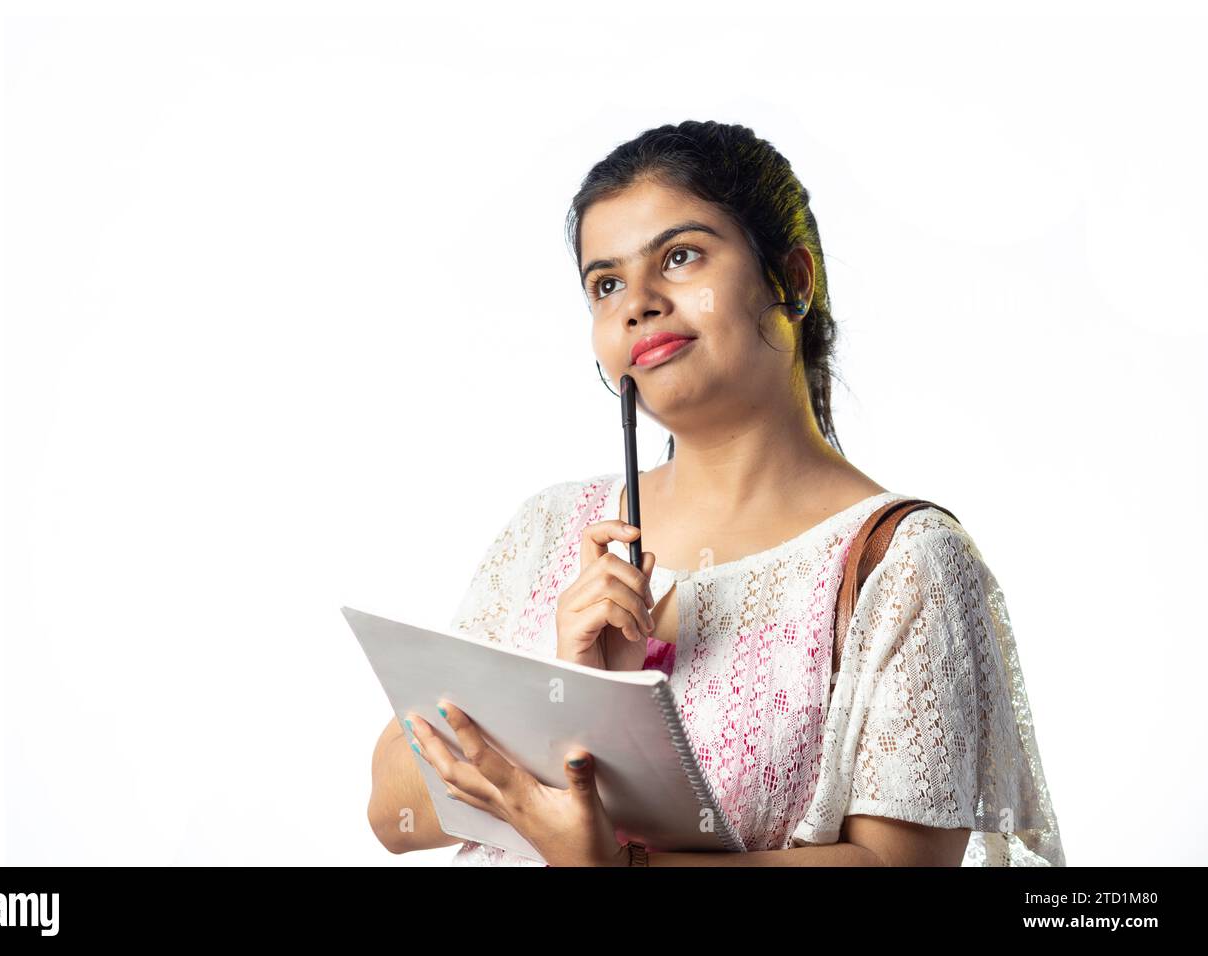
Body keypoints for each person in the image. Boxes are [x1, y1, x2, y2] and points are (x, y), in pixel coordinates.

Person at [366, 120, 1064, 867]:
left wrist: (619, 867)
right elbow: (395, 814)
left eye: (680, 256)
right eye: (606, 284)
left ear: (792, 280)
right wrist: (563, 678)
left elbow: (899, 867)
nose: (637, 302)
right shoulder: (550, 528)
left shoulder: (905, 564)